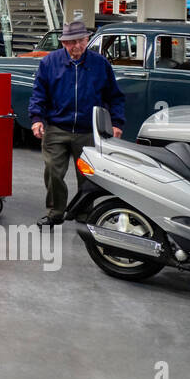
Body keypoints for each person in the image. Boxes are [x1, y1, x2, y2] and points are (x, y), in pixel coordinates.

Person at [29, 20, 126, 226]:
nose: (77, 47)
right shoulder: (49, 63)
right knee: (53, 171)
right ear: (63, 43)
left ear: (87, 39)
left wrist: (116, 123)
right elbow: (39, 94)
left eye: (81, 41)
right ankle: (56, 212)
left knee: (87, 176)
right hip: (56, 128)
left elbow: (115, 96)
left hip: (89, 130)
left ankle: (84, 214)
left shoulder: (100, 64)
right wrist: (37, 118)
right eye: (71, 42)